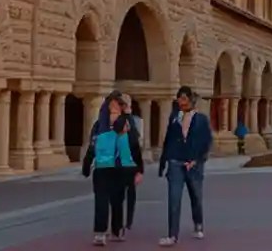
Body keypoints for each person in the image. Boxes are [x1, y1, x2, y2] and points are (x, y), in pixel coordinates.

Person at [82, 95, 144, 246]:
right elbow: (92, 146)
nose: (115, 108)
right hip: (103, 168)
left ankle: (117, 229)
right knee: (101, 201)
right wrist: (87, 165)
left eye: (118, 105)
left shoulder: (127, 123)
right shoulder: (99, 125)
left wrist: (139, 169)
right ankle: (100, 232)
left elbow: (134, 146)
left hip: (121, 168)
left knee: (117, 200)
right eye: (113, 105)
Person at [158, 86, 213, 247]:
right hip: (175, 162)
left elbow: (206, 141)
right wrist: (163, 162)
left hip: (194, 165)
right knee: (174, 199)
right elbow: (168, 140)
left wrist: (197, 160)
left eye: (184, 98)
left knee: (196, 196)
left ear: (190, 100)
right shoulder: (174, 117)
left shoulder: (201, 119)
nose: (181, 102)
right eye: (179, 98)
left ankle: (198, 223)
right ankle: (172, 235)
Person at [120, 93, 145, 232]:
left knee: (130, 193)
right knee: (117, 194)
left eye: (125, 104)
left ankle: (128, 221)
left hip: (130, 162)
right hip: (116, 163)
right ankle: (117, 223)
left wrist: (140, 170)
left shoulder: (135, 120)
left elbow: (135, 141)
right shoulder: (112, 119)